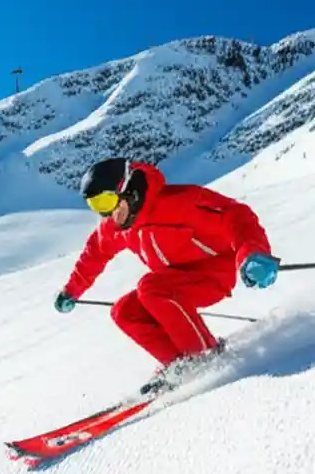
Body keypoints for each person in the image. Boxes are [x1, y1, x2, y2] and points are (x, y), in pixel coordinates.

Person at [54, 157, 279, 380]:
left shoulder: (178, 203)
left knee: (150, 287)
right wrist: (71, 291)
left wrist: (252, 253)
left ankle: (204, 356)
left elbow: (235, 215)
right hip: (173, 283)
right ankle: (177, 365)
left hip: (213, 274)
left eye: (106, 202)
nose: (107, 214)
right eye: (96, 206)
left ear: (127, 189)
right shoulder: (119, 226)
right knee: (124, 311)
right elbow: (95, 253)